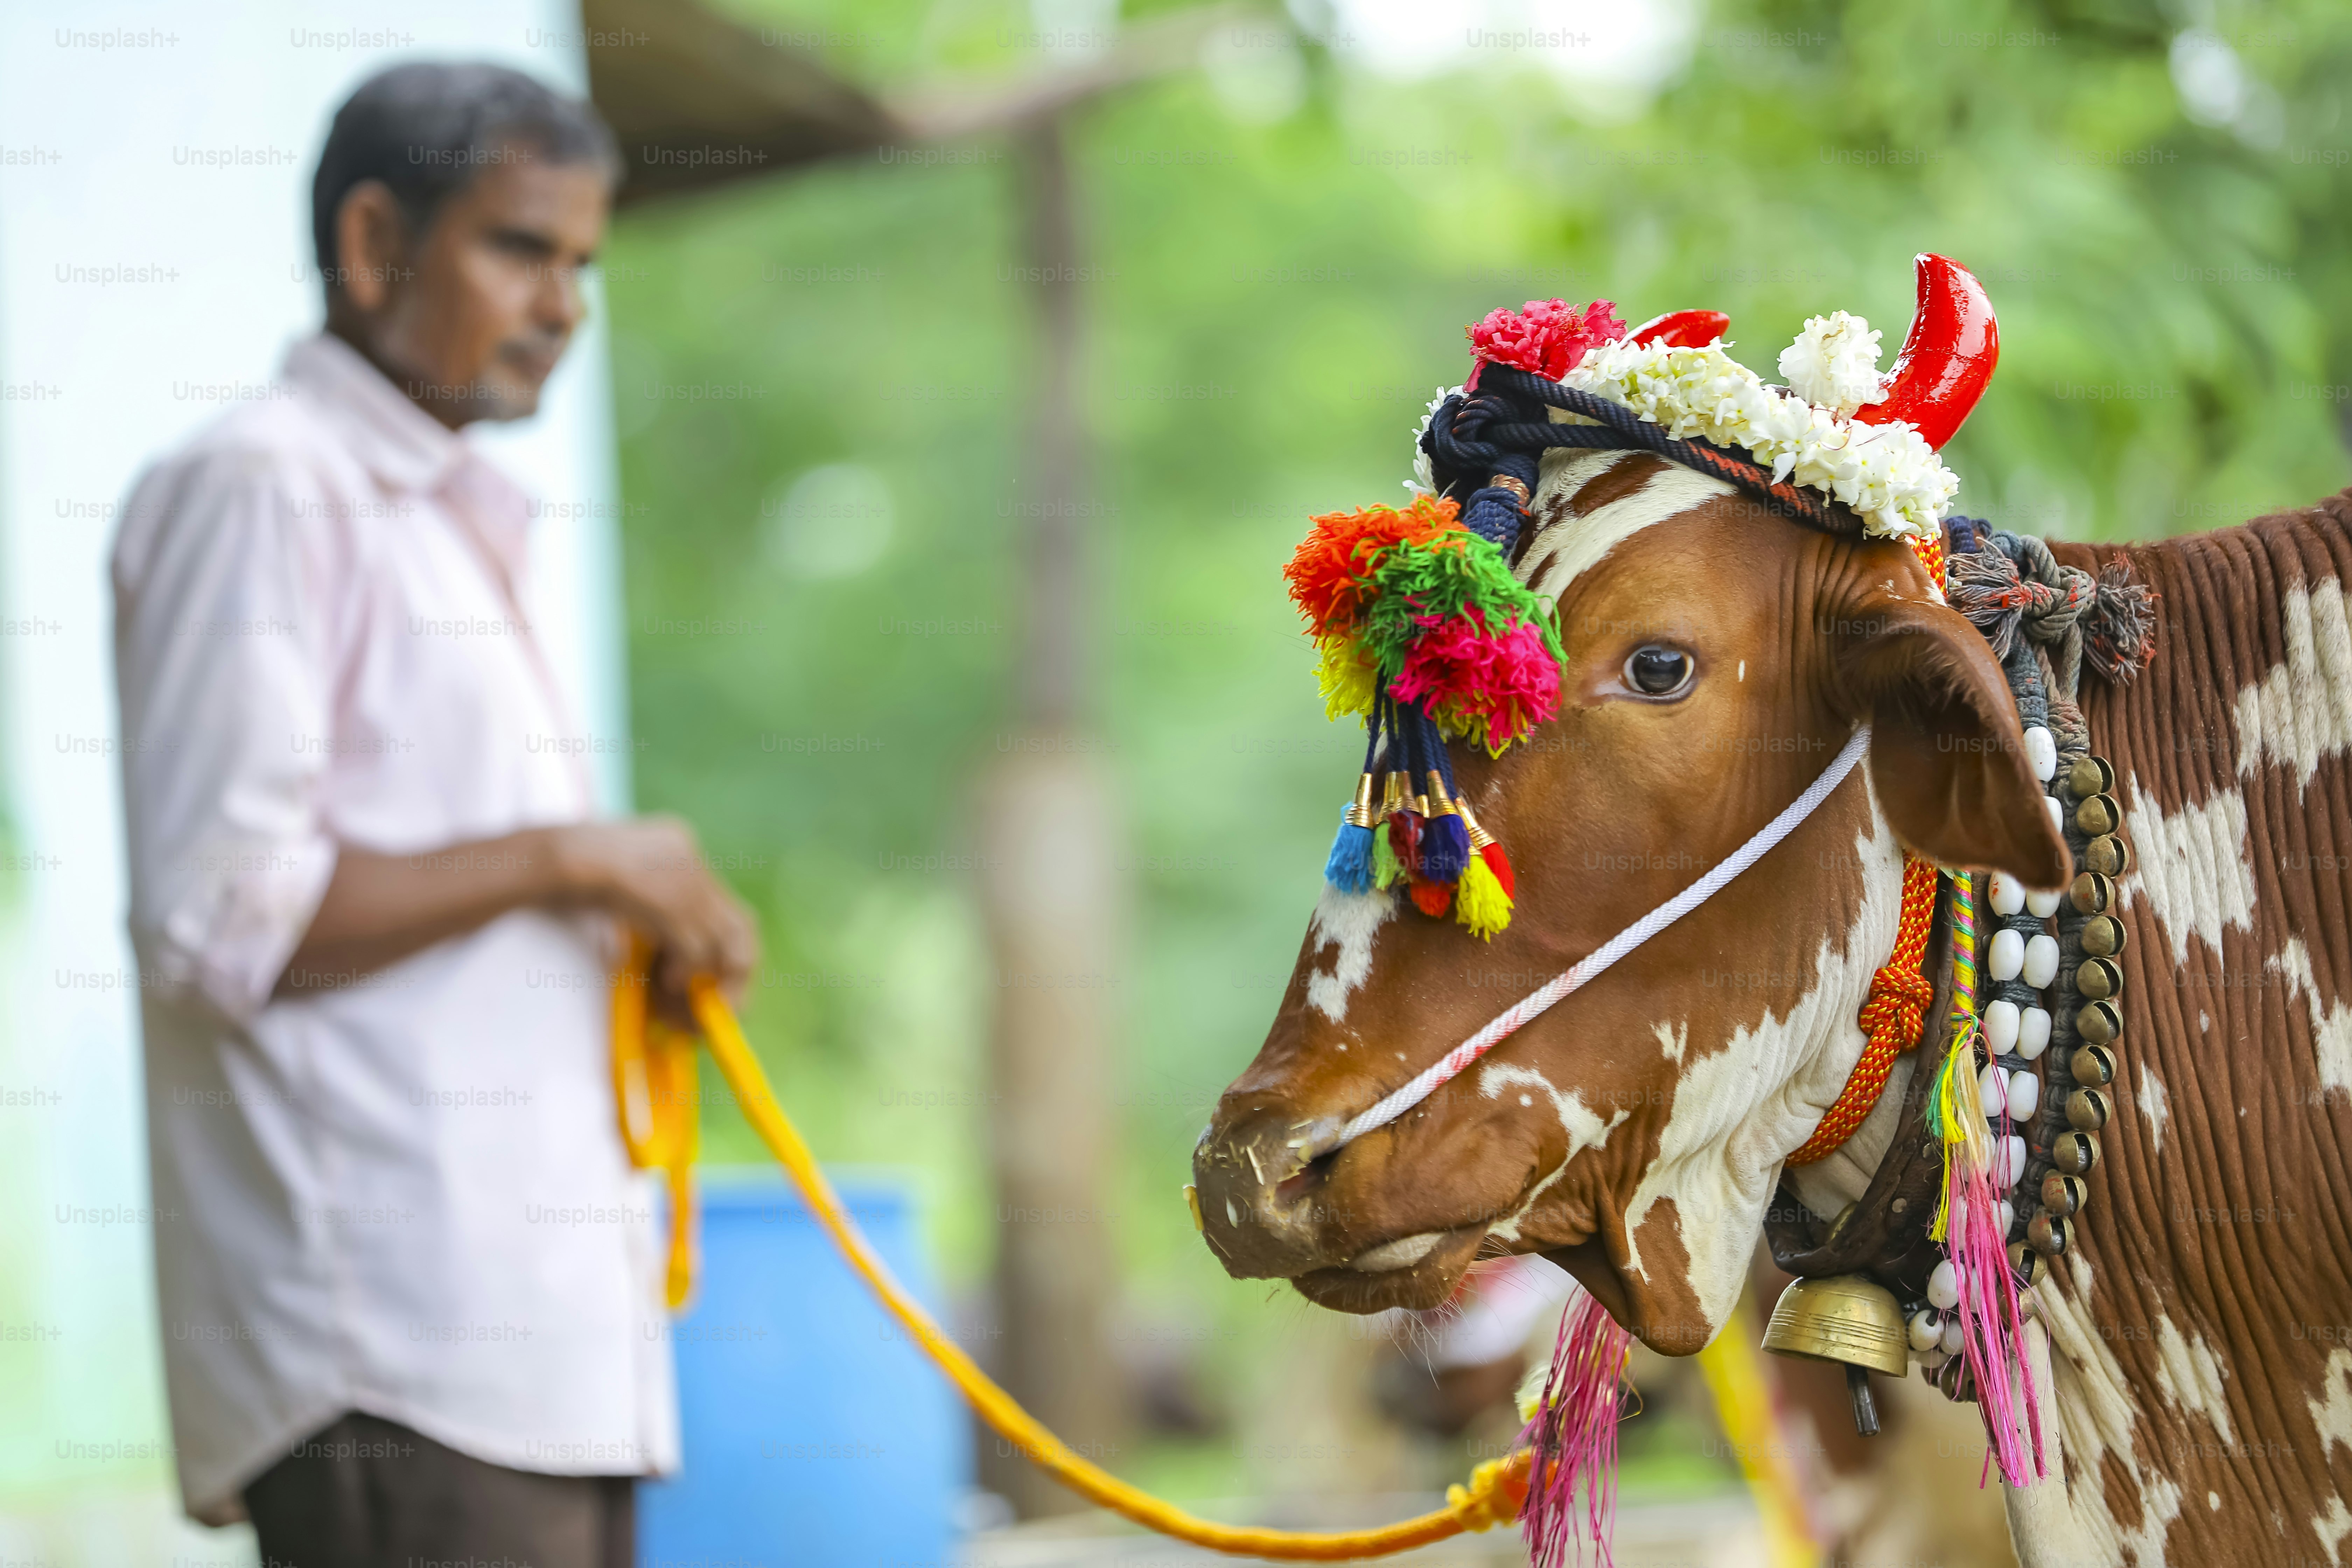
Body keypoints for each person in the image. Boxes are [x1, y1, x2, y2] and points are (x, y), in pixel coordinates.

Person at [109, 62, 756, 1568]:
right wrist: (574, 857)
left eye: (583, 264)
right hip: (393, 1357)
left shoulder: (448, 520)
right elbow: (223, 915)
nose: (565, 306)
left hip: (534, 1361)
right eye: (520, 248)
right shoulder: (266, 486)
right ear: (372, 243)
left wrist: (603, 921)